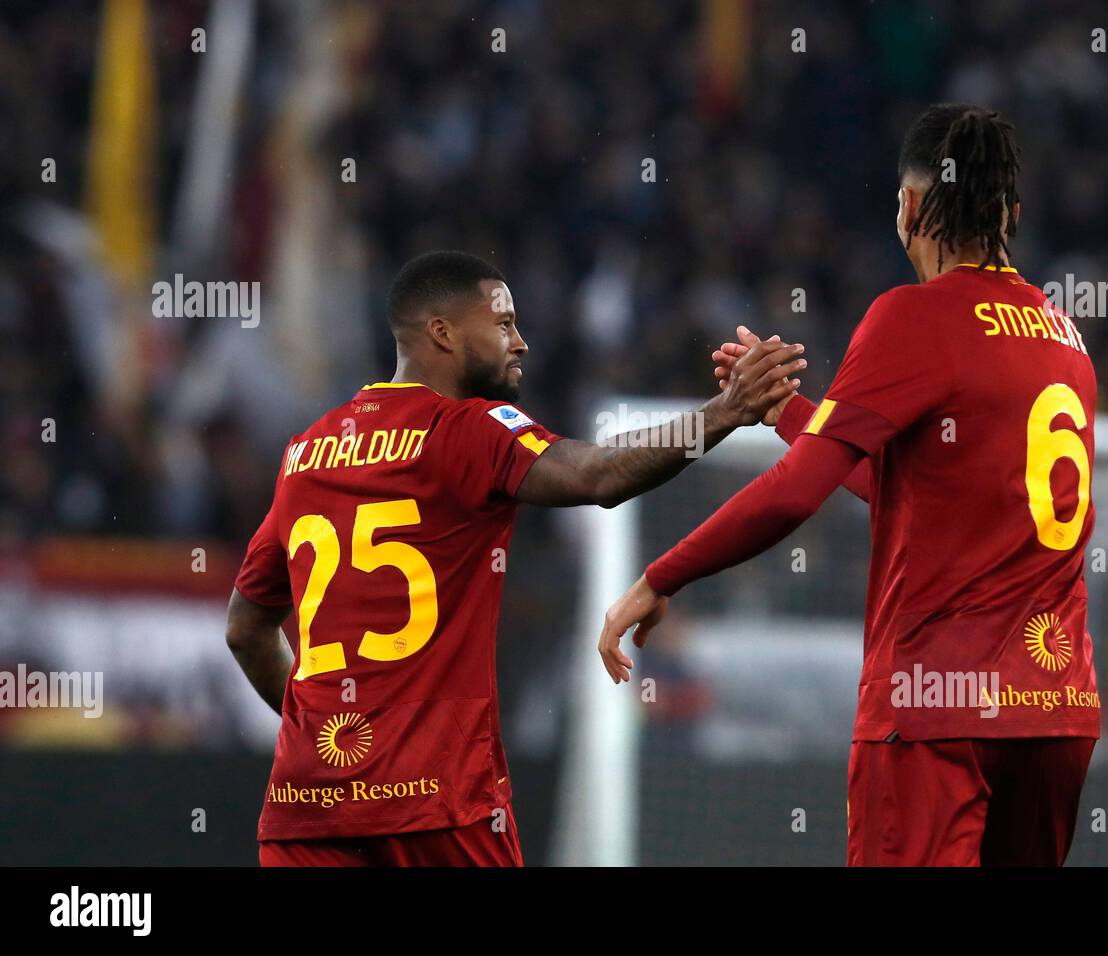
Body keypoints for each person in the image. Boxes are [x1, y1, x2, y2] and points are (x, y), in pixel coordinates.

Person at [599, 104, 1101, 866]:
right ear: (1013, 215)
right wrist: (794, 416)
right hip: (1056, 711)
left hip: (936, 711)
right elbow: (923, 488)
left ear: (908, 208)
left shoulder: (913, 318)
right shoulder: (1066, 339)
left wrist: (661, 576)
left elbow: (794, 494)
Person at [226, 250, 806, 866]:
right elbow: (599, 475)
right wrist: (725, 411)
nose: (521, 342)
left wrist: (324, 734)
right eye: (503, 324)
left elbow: (245, 628)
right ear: (443, 333)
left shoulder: (307, 451)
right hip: (437, 804)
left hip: (308, 805)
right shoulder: (467, 428)